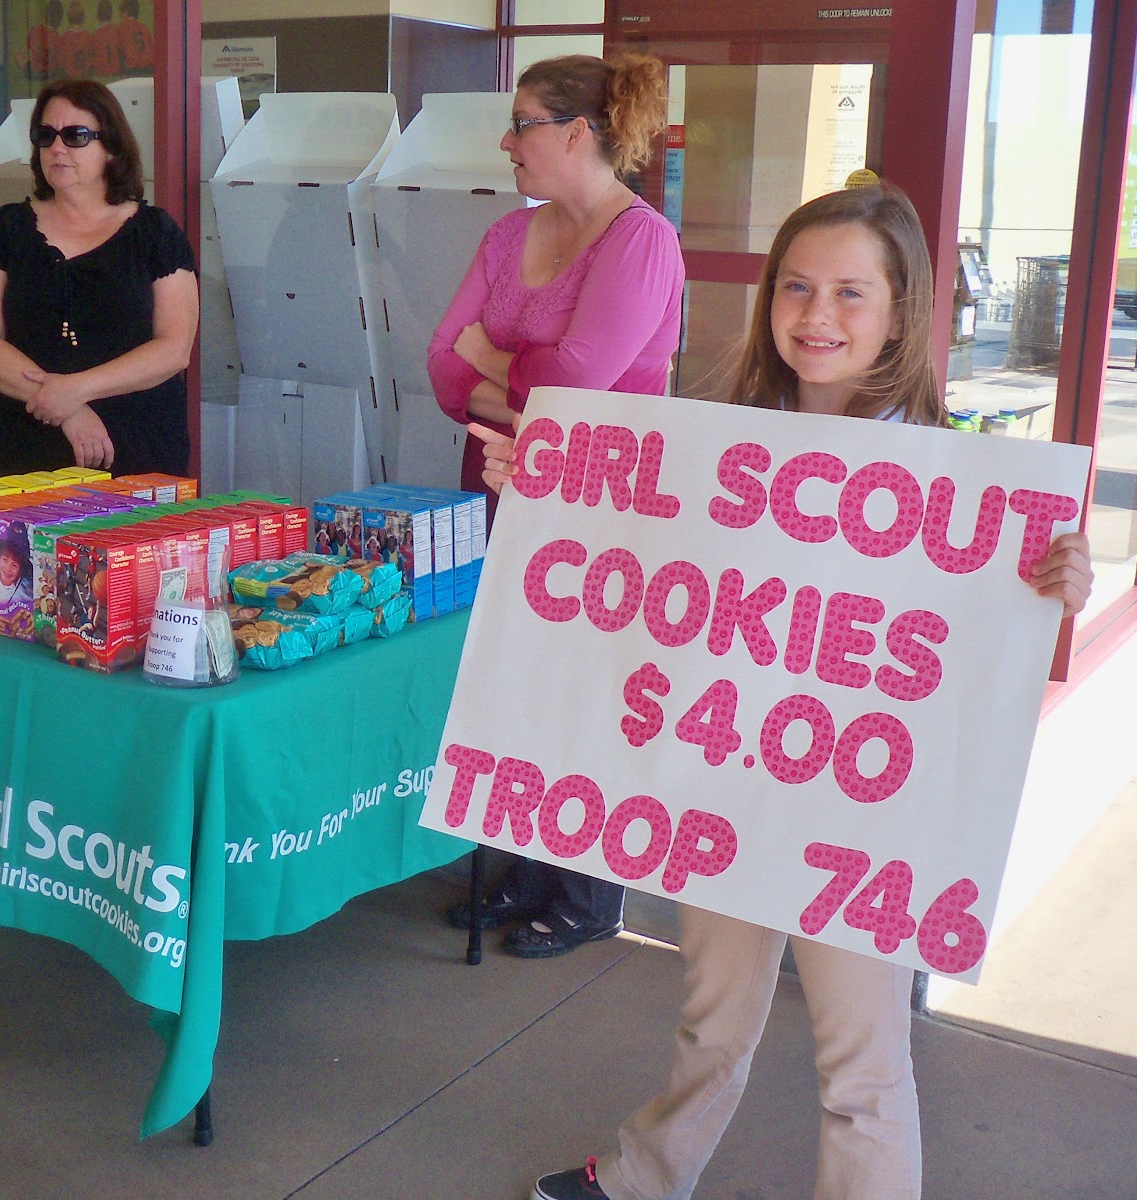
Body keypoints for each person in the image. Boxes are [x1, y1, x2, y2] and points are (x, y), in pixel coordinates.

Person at [466, 184, 1095, 1200]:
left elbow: (980, 643)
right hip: (728, 783)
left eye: (851, 292)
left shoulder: (963, 478)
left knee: (860, 1065)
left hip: (863, 817)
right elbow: (636, 560)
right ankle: (643, 1176)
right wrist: (548, 494)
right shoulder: (716, 443)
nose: (817, 315)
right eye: (796, 287)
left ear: (900, 308)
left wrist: (1058, 584)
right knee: (710, 1019)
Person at [426, 52, 685, 959]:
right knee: (516, 686)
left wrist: (496, 366)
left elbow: (577, 385)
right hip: (500, 489)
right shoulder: (508, 235)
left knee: (587, 693)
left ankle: (591, 892)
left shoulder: (642, 240)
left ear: (577, 132)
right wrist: (522, 392)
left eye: (523, 121)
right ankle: (528, 868)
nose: (508, 140)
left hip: (601, 512)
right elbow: (440, 370)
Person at [0, 78, 198, 477]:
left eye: (76, 136)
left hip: (139, 447)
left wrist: (78, 390)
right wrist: (66, 409)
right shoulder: (7, 228)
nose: (57, 148)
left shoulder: (156, 233)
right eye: (46, 135)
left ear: (111, 148)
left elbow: (174, 349)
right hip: (29, 447)